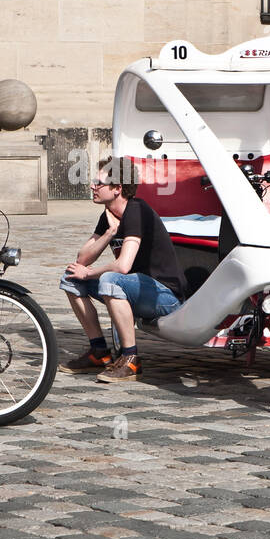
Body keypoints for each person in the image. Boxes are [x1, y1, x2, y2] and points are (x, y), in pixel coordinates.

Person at [60, 157, 184, 383]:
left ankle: (131, 359)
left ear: (117, 188)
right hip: (133, 288)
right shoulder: (108, 216)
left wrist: (89, 273)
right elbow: (82, 258)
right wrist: (108, 233)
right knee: (70, 279)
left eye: (98, 183)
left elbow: (123, 265)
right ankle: (99, 352)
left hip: (164, 296)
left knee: (110, 278)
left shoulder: (137, 210)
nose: (92, 187)